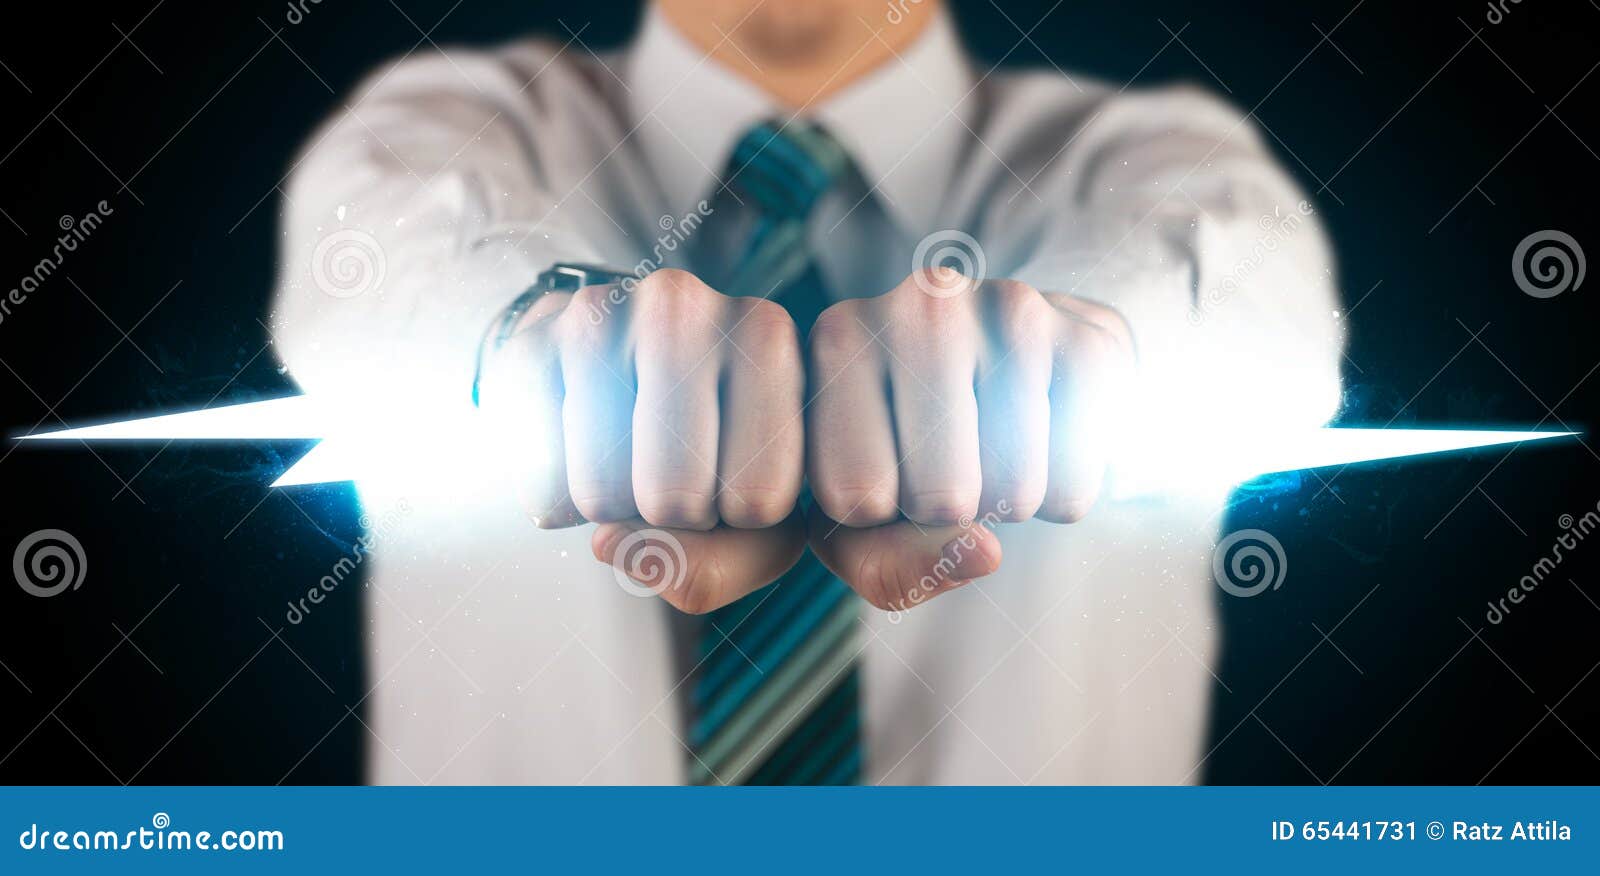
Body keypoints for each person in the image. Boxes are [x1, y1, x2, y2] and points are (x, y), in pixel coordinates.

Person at [271, 0, 1344, 784]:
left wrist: (1087, 347)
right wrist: (533, 339)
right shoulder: (447, 121)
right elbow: (375, 267)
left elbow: (1256, 319)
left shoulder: (1150, 150)